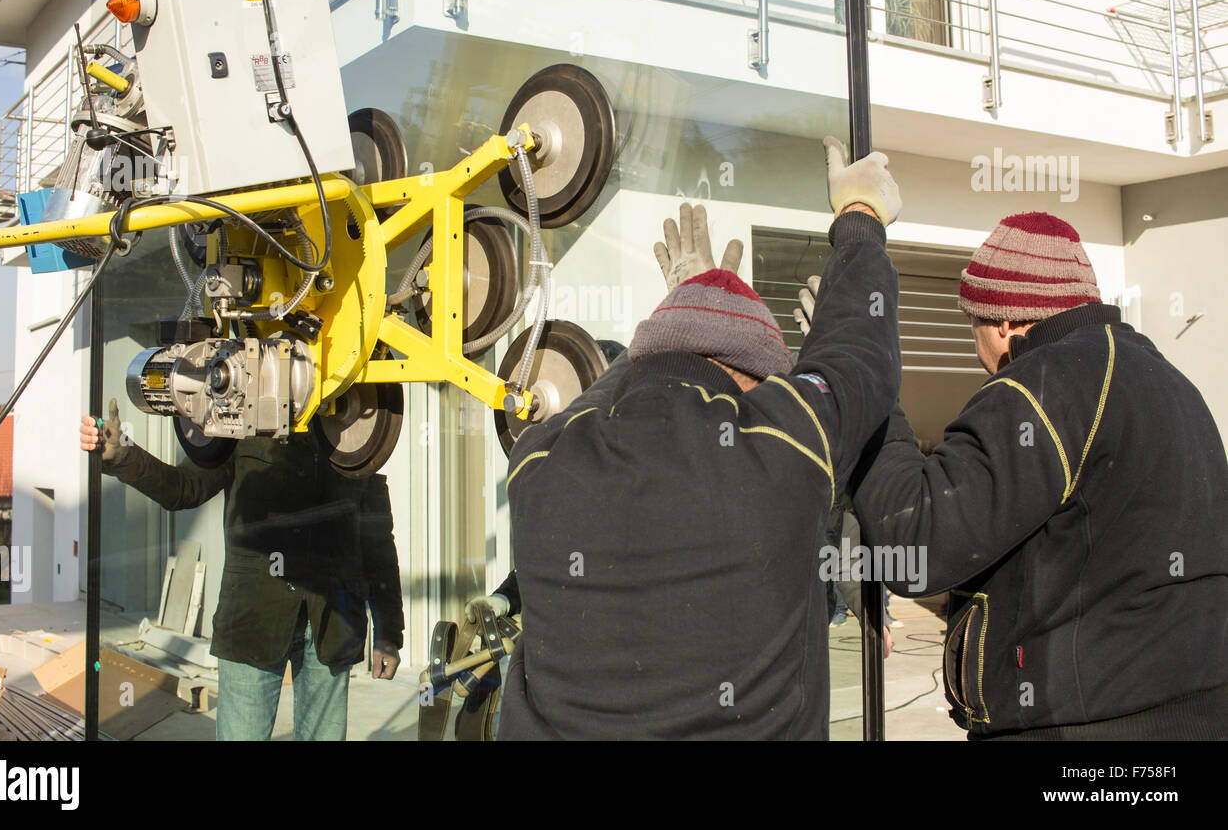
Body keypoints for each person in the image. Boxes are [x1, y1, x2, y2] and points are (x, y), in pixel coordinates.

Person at [496, 138, 903, 739]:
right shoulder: (779, 451)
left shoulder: (541, 462)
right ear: (754, 376)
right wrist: (859, 216)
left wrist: (683, 312)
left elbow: (609, 390)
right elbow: (856, 357)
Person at [846, 211, 1228, 739]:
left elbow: (918, 544)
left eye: (971, 324)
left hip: (1079, 727)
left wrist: (864, 384)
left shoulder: (1045, 382)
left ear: (1002, 323)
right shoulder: (1172, 383)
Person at [80, 399, 405, 740]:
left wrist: (388, 632)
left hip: (332, 624)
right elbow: (182, 489)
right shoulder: (242, 416)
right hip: (253, 619)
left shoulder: (353, 427)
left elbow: (378, 542)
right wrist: (122, 455)